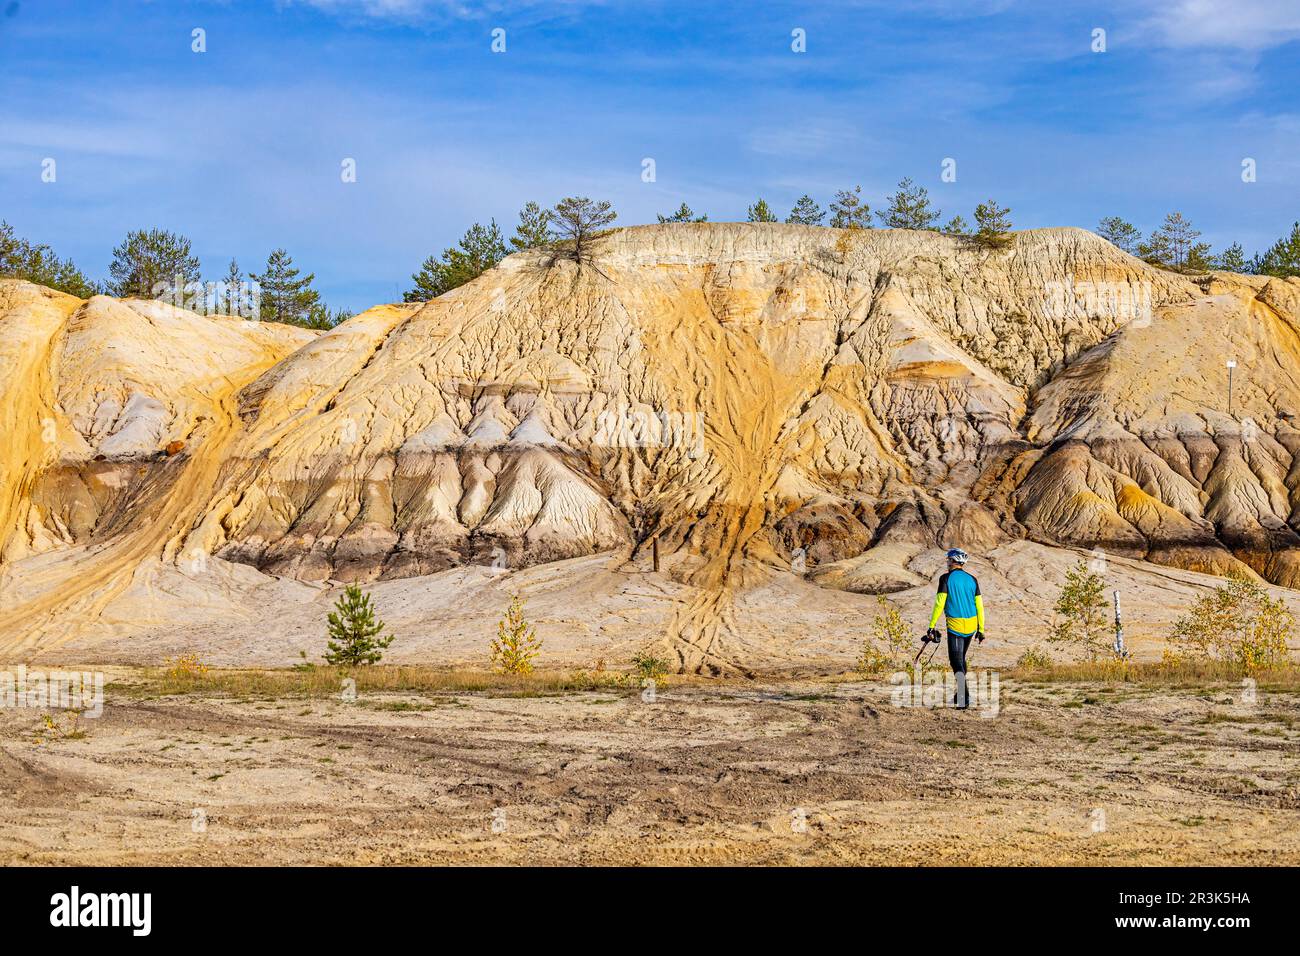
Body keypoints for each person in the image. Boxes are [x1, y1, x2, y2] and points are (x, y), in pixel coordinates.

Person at [924, 548, 985, 709]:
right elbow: (979, 606)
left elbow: (939, 603)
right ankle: (960, 694)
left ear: (953, 561)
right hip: (971, 626)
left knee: (955, 661)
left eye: (948, 560)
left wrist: (931, 626)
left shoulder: (946, 578)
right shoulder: (973, 579)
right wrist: (981, 629)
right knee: (961, 659)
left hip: (955, 626)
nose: (947, 562)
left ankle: (964, 698)